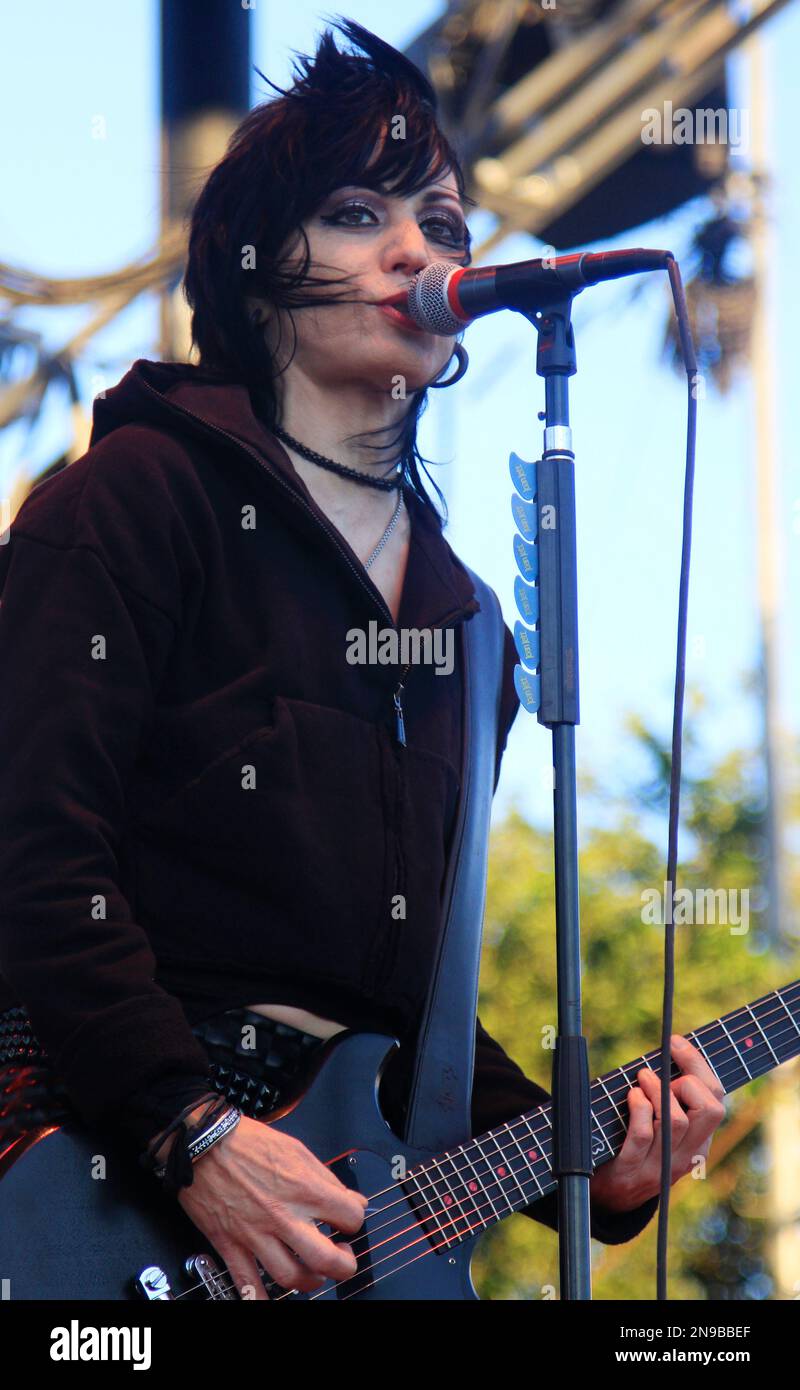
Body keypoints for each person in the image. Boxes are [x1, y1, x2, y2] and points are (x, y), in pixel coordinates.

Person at [0, 19, 724, 1300]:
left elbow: (406, 1029)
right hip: (97, 1185)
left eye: (445, 226)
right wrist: (192, 1133)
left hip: (336, 1241)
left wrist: (597, 1167)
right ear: (256, 265)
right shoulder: (126, 504)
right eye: (357, 212)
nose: (422, 252)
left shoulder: (468, 623)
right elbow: (34, 861)